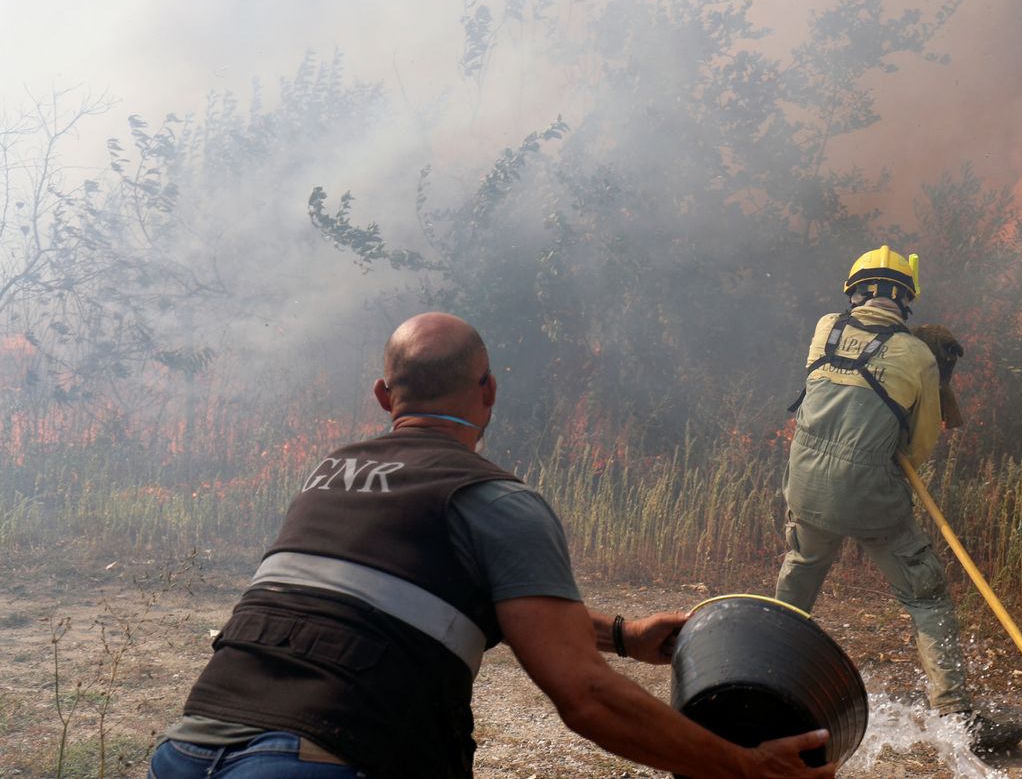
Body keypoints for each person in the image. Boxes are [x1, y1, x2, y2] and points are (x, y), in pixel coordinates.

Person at [149, 312, 833, 779]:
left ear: (385, 394)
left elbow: (408, 593)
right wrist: (745, 768)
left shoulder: (331, 472)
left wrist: (622, 634)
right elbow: (587, 700)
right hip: (324, 757)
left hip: (187, 747)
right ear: (489, 391)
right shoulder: (496, 499)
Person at [774, 247, 1022, 754]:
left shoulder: (826, 328)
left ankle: (765, 680)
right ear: (904, 299)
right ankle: (956, 716)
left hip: (803, 484)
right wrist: (933, 375)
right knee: (926, 595)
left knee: (798, 577)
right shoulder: (917, 357)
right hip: (870, 495)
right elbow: (919, 447)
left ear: (854, 290)